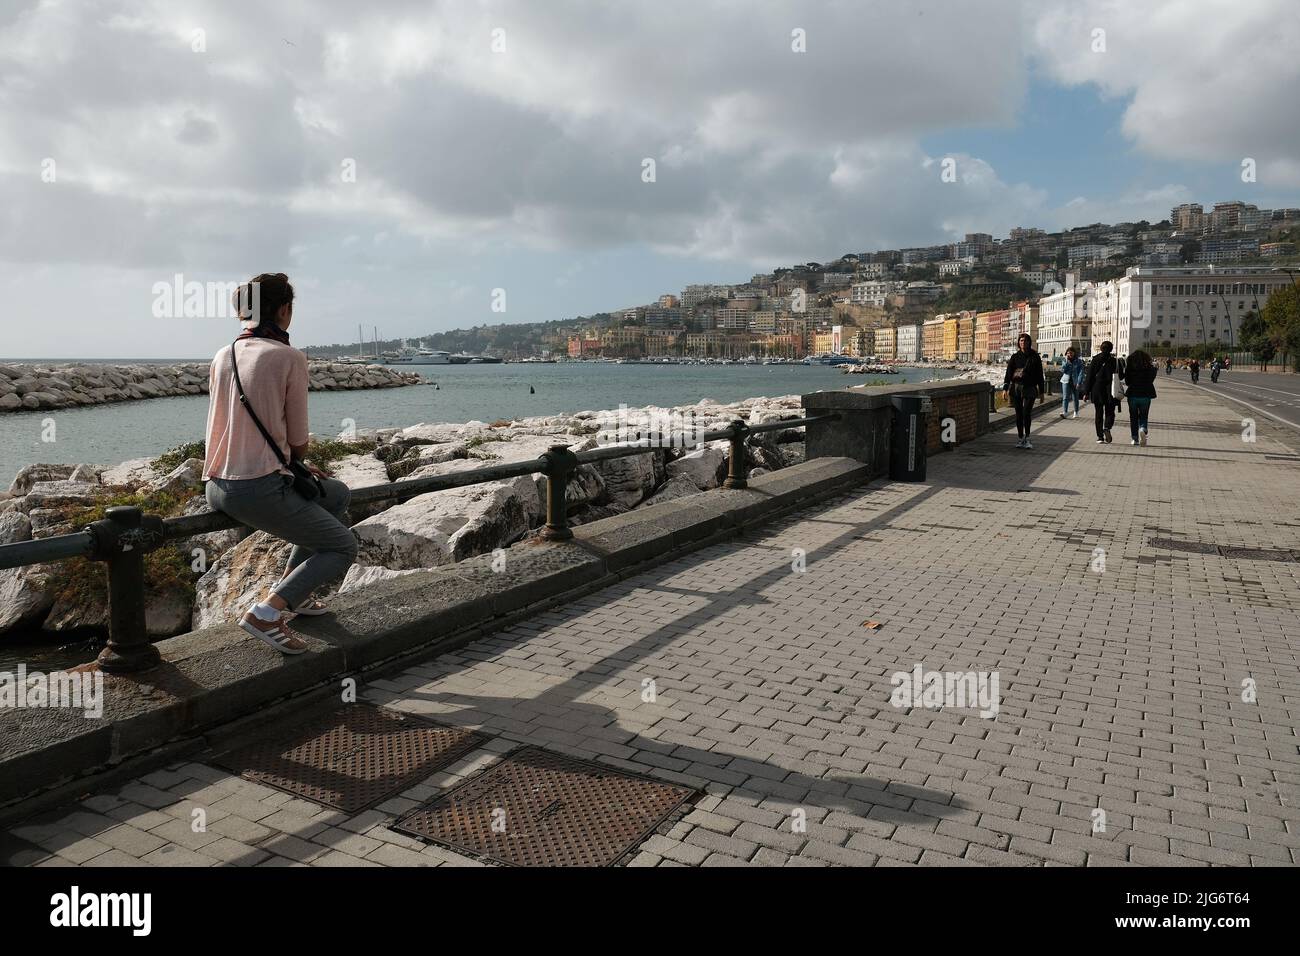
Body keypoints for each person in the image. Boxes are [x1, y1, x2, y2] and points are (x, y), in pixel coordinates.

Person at [203, 273, 358, 655]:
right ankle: (267, 613)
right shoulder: (288, 357)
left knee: (336, 495)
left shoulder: (223, 355)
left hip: (216, 485)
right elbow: (298, 442)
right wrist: (298, 460)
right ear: (284, 310)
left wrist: (290, 462)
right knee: (342, 545)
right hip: (256, 488)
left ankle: (298, 594)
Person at [1002, 332, 1045, 449]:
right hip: (1016, 387)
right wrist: (1005, 388)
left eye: (1025, 341)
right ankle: (1020, 438)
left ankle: (1028, 437)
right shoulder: (1015, 357)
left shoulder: (1035, 357)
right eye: (1021, 341)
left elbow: (1040, 375)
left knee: (1027, 413)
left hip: (1030, 387)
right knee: (1018, 414)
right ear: (1018, 343)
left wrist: (1041, 392)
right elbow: (1009, 373)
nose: (1023, 343)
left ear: (1029, 342)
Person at [1082, 340, 1120, 444]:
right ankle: (1107, 427)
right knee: (1110, 412)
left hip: (1097, 389)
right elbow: (1120, 376)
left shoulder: (1095, 360)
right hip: (1110, 390)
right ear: (1111, 349)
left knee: (1098, 413)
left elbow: (1089, 377)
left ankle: (1100, 437)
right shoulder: (1114, 361)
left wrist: (1086, 392)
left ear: (1101, 348)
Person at [1122, 349, 1157, 446]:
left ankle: (1134, 439)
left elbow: (1127, 382)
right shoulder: (1151, 369)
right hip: (1146, 395)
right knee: (1144, 415)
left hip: (1133, 394)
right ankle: (1142, 428)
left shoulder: (1130, 368)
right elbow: (1151, 380)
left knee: (1133, 417)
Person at [1059, 347, 1084, 419]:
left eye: (1071, 353)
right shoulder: (1065, 360)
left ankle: (1076, 412)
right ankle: (1065, 412)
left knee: (1075, 397)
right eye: (1068, 353)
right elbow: (1063, 370)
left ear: (1074, 353)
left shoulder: (1079, 361)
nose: (1069, 354)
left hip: (1075, 381)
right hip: (1065, 380)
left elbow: (1081, 372)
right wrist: (1067, 362)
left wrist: (1079, 382)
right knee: (1065, 397)